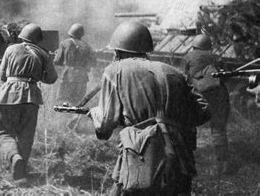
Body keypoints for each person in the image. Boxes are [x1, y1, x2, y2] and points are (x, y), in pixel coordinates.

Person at [88, 22, 210, 195]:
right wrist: (171, 122)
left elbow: (105, 125)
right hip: (179, 155)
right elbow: (203, 111)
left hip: (142, 157)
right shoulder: (174, 72)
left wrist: (94, 114)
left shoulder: (114, 70)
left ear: (117, 51)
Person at [0, 23, 58, 182]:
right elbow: (51, 79)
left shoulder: (10, 49)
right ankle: (21, 172)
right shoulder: (43, 54)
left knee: (4, 131)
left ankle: (14, 157)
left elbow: (1, 75)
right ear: (38, 40)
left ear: (22, 36)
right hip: (31, 96)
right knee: (26, 134)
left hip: (9, 94)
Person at [182, 34, 231, 174]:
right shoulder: (217, 58)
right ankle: (223, 164)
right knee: (218, 129)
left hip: (197, 95)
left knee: (189, 126)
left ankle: (188, 162)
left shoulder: (188, 57)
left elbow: (183, 77)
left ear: (194, 45)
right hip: (219, 95)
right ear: (209, 46)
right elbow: (226, 76)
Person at [54, 23, 97, 105]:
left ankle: (64, 117)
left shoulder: (65, 43)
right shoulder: (87, 46)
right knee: (77, 102)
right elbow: (93, 63)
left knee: (65, 101)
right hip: (82, 76)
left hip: (68, 75)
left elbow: (57, 61)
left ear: (70, 33)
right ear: (82, 34)